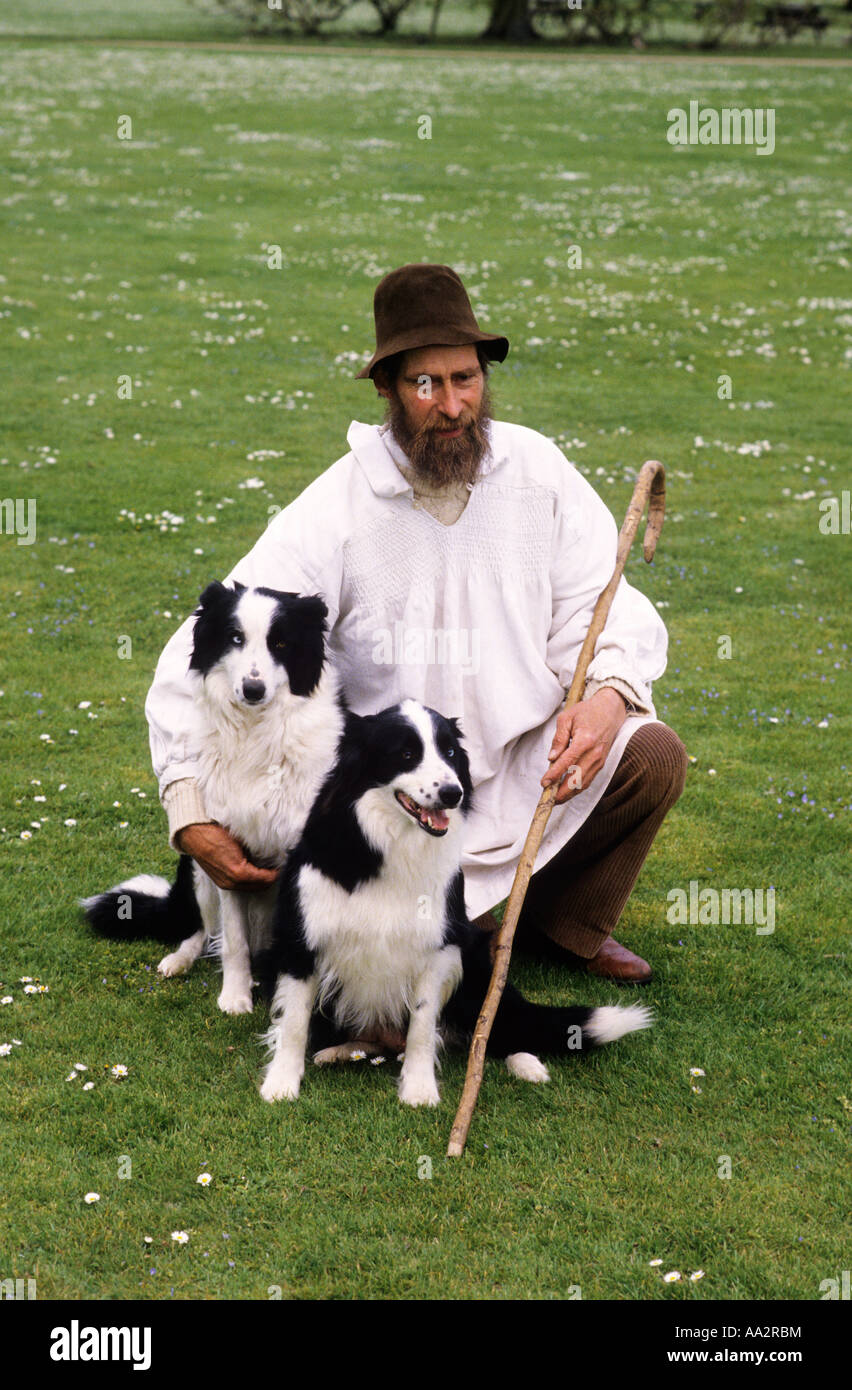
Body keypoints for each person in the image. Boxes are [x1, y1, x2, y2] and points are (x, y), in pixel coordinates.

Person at [146, 263, 687, 985]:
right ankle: (472, 924)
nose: (453, 404)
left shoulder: (538, 472)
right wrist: (188, 807)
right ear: (386, 387)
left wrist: (606, 697)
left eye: (466, 379)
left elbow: (603, 606)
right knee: (388, 1013)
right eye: (426, 384)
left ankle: (563, 926)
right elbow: (206, 645)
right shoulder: (336, 508)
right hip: (396, 799)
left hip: (527, 763)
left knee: (652, 753)